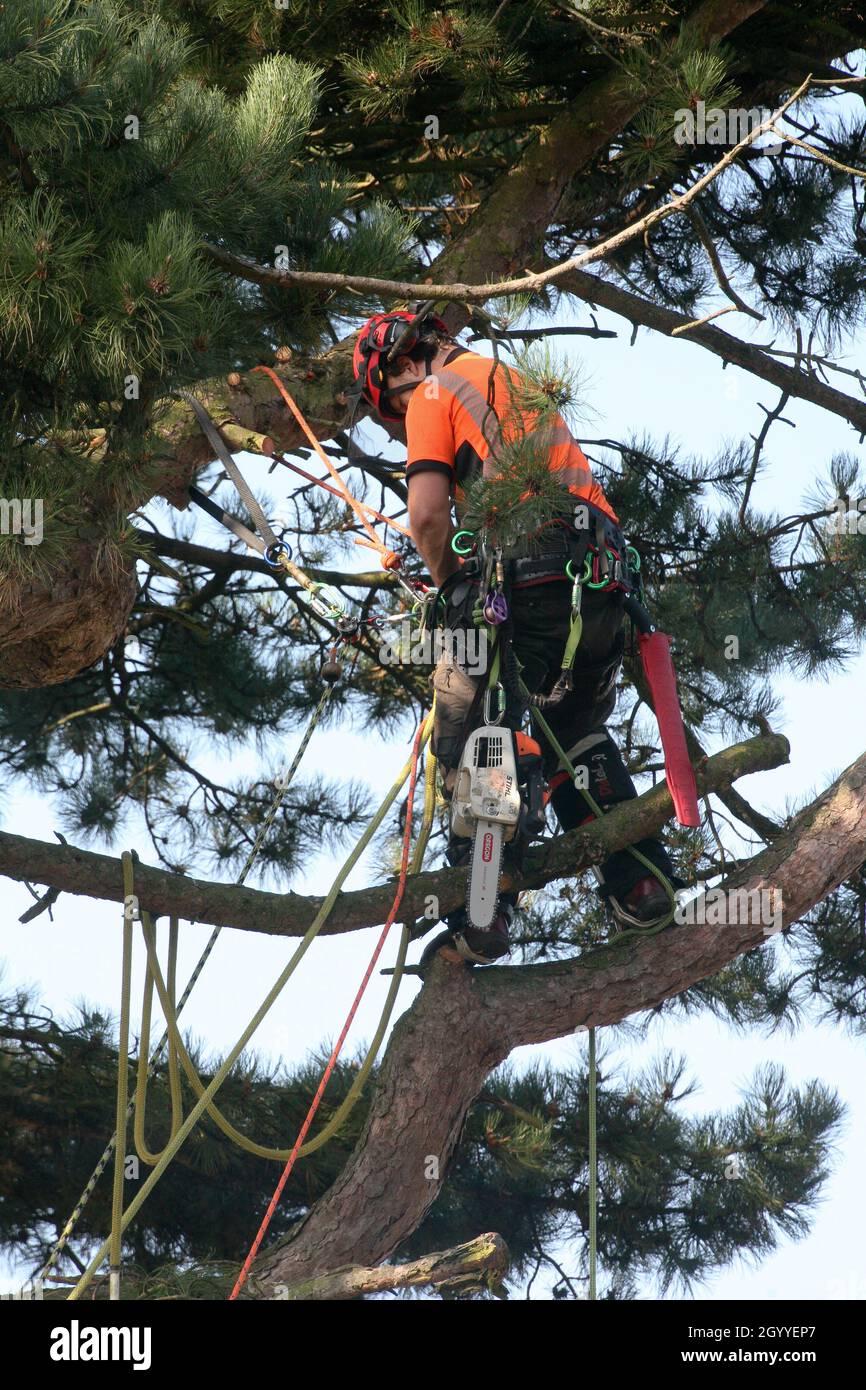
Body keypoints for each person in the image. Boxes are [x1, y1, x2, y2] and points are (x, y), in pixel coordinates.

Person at [352, 310, 680, 963]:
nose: (398, 416)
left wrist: (450, 588)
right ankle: (640, 881)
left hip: (523, 581)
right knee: (576, 732)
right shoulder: (514, 383)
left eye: (390, 405)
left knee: (475, 732)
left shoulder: (434, 391)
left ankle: (484, 906)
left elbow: (425, 514)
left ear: (400, 366)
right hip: (603, 587)